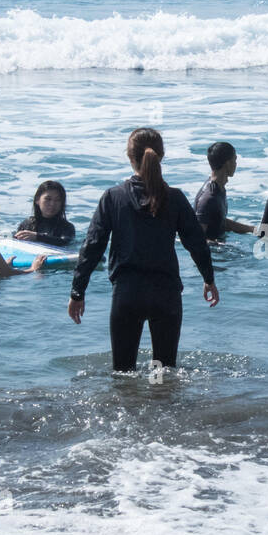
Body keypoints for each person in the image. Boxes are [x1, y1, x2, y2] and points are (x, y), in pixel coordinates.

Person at [67, 127, 218, 372]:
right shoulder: (176, 198)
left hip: (127, 295)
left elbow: (93, 246)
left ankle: (129, 410)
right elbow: (196, 243)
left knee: (123, 374)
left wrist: (77, 292)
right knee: (163, 372)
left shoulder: (113, 197)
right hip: (166, 295)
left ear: (129, 157)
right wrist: (209, 279)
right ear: (162, 156)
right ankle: (162, 409)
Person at [194, 142, 256, 242]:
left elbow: (219, 221)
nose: (236, 164)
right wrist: (220, 247)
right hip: (213, 253)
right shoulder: (209, 198)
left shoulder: (219, 188)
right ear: (227, 164)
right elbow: (197, 238)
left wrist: (252, 229)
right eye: (235, 160)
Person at [14, 180, 76, 246]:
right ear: (37, 200)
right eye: (48, 199)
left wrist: (37, 237)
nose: (52, 204)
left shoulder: (67, 227)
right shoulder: (27, 224)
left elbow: (64, 242)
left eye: (58, 200)